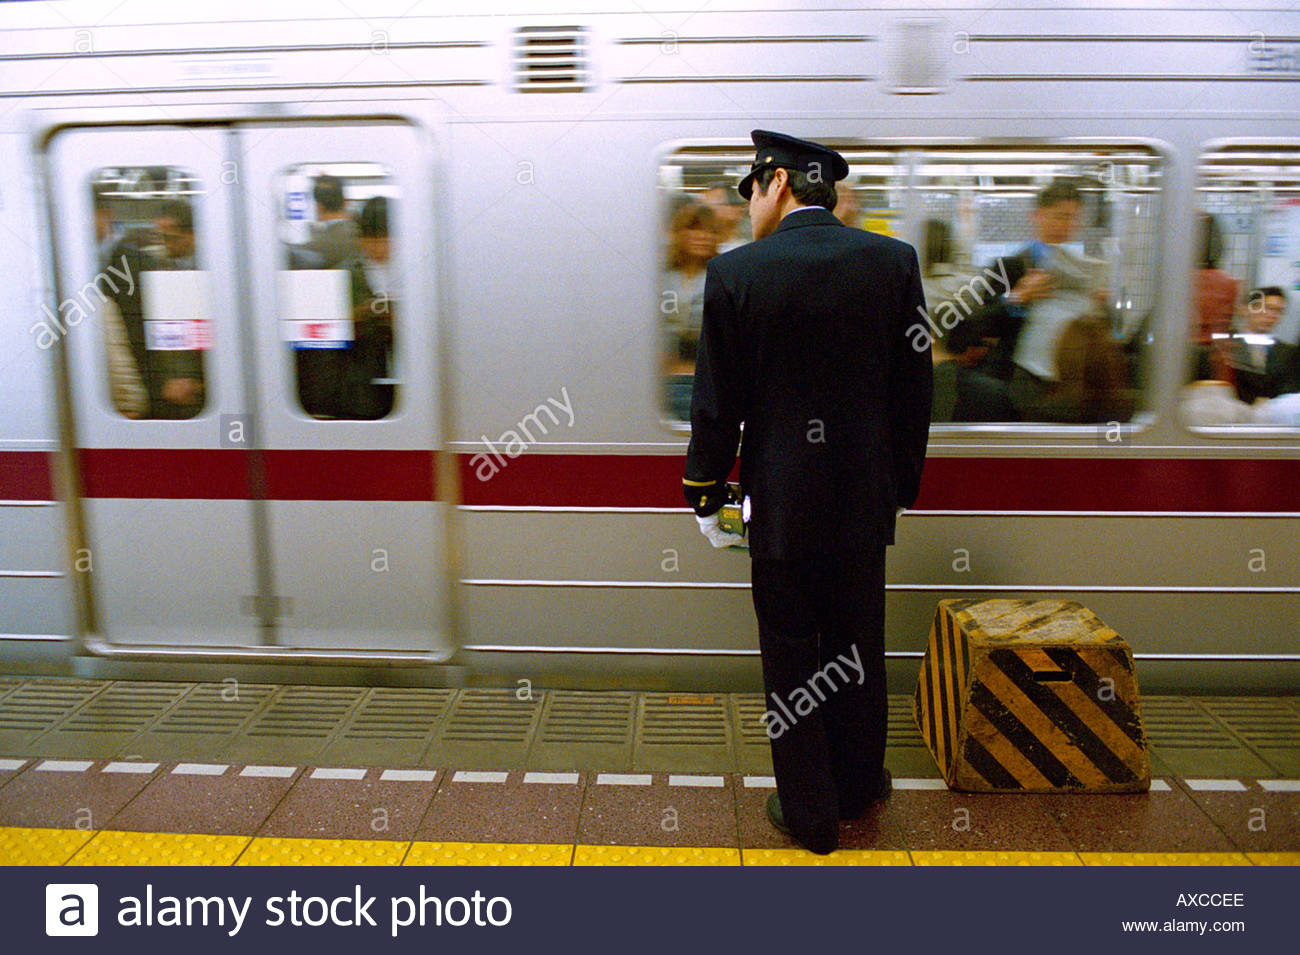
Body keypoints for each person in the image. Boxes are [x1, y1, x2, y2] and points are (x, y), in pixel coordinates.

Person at [683, 130, 932, 855]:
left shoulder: (736, 274)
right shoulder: (894, 262)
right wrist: (899, 484)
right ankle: (857, 786)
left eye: (751, 191)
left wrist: (706, 490)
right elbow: (914, 388)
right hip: (862, 505)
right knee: (858, 643)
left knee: (792, 653)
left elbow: (716, 404)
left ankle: (811, 813)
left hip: (782, 505)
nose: (747, 208)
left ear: (781, 182)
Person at [967, 178, 1111, 418]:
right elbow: (978, 324)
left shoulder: (1084, 269)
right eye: (1061, 216)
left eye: (1074, 219)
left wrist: (1099, 306)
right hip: (1017, 383)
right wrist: (1016, 298)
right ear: (1037, 215)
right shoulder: (1008, 266)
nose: (1068, 225)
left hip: (1069, 380)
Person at [661, 201, 720, 420]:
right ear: (680, 233)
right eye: (694, 228)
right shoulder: (663, 276)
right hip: (663, 380)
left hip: (706, 380)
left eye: (709, 231)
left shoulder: (721, 277)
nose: (702, 236)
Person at [1224, 287, 1297, 403]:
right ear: (1246, 309)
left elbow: (1290, 392)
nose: (1272, 315)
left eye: (1279, 311)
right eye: (1267, 308)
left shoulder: (1287, 352)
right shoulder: (1224, 344)